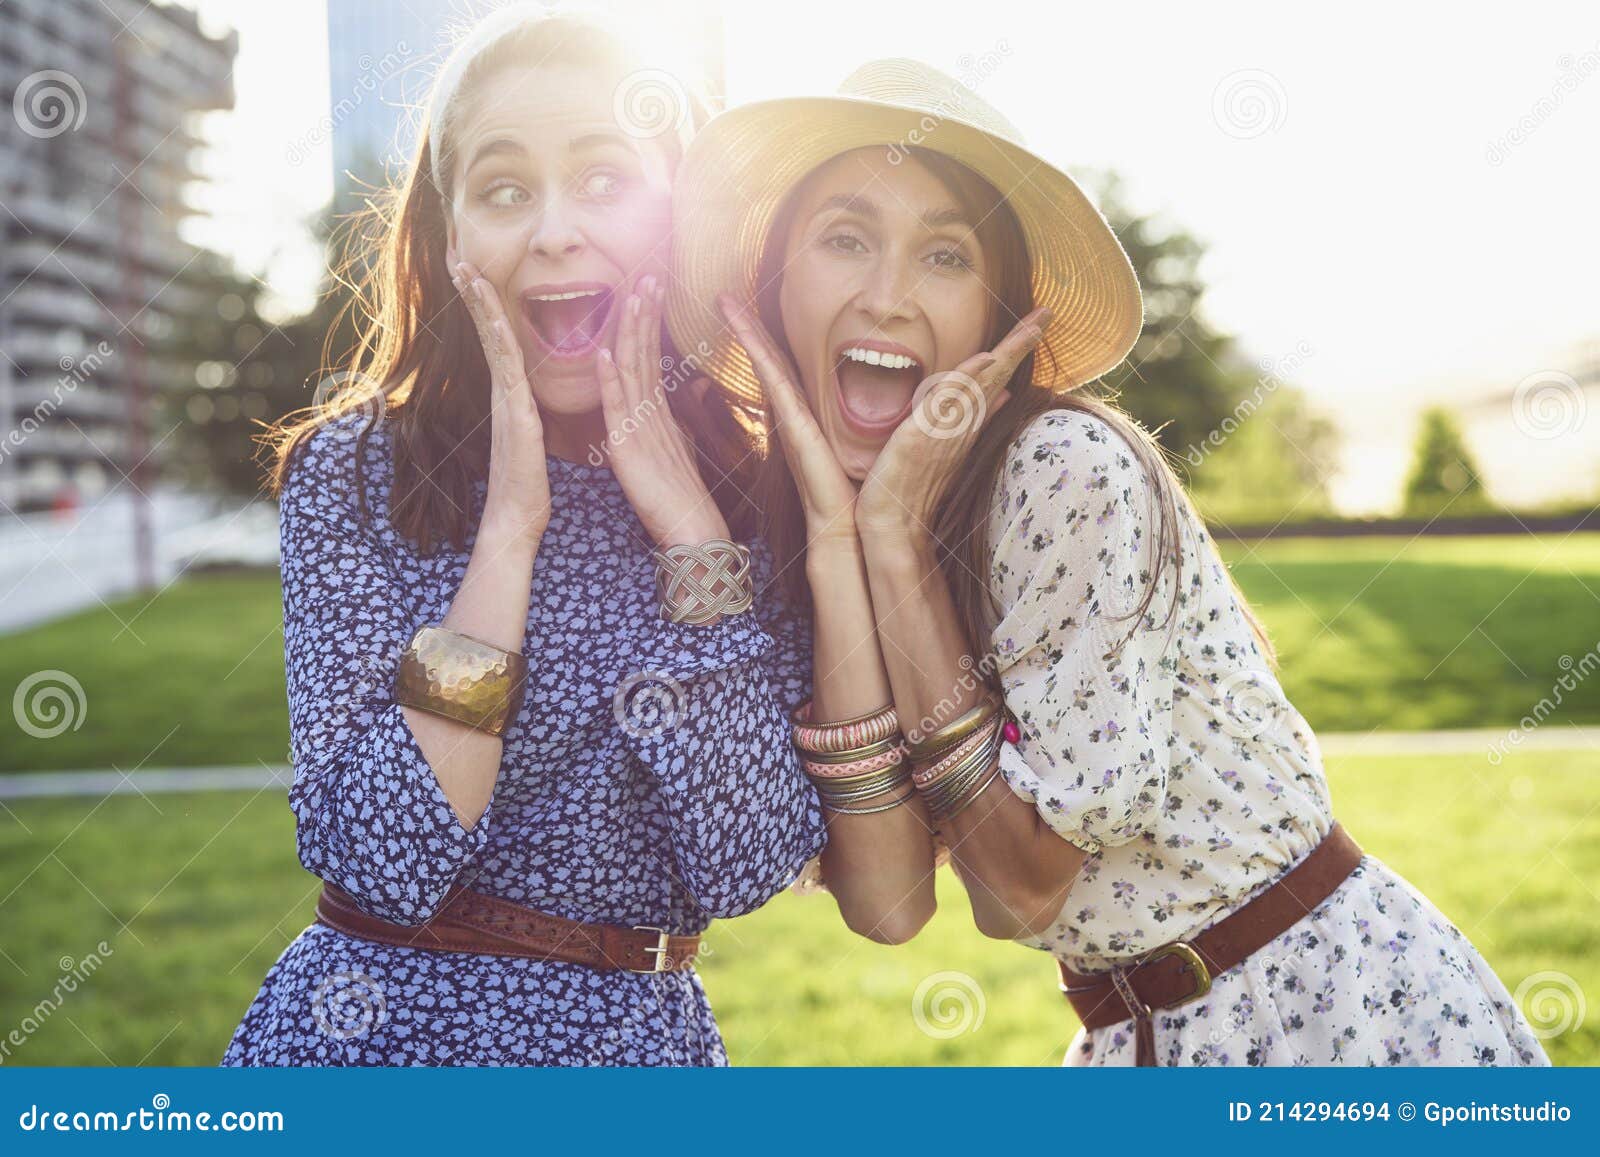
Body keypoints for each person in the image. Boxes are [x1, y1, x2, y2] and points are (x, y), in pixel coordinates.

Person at [666, 58, 1551, 1067]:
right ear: (775, 287)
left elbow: (1018, 889)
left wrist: (896, 542)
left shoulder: (1063, 468)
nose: (886, 297)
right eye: (843, 239)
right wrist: (843, 546)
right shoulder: (824, 529)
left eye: (943, 255)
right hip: (1138, 1032)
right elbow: (892, 903)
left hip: (1318, 1010)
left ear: (999, 317)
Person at [223, 7, 822, 1067]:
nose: (553, 230)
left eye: (603, 179)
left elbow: (752, 859)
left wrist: (687, 527)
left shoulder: (750, 489)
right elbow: (383, 859)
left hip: (634, 1057)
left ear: (677, 212)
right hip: (374, 1046)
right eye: (505, 190)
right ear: (452, 240)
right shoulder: (355, 473)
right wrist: (508, 532)